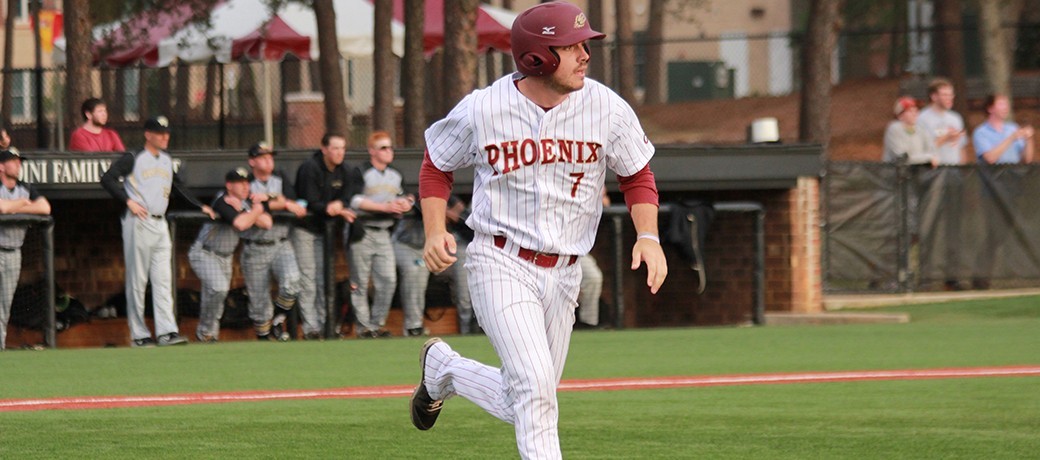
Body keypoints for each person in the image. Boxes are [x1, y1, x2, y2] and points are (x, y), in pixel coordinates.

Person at [409, 3, 668, 458]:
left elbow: (637, 176)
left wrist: (648, 236)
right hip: (500, 260)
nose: (586, 55)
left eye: (584, 45)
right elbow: (437, 166)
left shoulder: (605, 106)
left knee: (526, 398)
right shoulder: (484, 108)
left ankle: (444, 369)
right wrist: (434, 230)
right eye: (572, 47)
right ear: (536, 57)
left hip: (567, 271)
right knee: (533, 387)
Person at [101, 115, 215, 347]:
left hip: (160, 222)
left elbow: (178, 188)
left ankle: (166, 332)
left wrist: (200, 206)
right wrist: (128, 201)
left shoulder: (166, 159)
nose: (165, 137)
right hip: (139, 221)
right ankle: (139, 334)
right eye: (160, 133)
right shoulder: (134, 157)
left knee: (163, 280)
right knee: (138, 280)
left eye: (167, 133)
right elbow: (108, 178)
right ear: (148, 134)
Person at [188, 167, 271, 343]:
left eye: (246, 182)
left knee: (216, 296)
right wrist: (255, 211)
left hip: (225, 257)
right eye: (239, 183)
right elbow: (241, 224)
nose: (244, 186)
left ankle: (210, 336)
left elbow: (267, 223)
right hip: (205, 252)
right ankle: (205, 331)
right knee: (219, 288)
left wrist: (248, 210)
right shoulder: (222, 200)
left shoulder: (245, 201)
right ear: (229, 185)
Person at [293, 133, 361, 340]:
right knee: (308, 279)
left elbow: (350, 194)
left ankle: (325, 326)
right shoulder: (309, 168)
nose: (340, 152)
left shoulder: (347, 170)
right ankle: (310, 328)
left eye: (342, 148)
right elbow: (310, 201)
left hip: (326, 234)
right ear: (324, 149)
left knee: (324, 279)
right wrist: (332, 208)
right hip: (305, 230)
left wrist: (340, 205)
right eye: (335, 148)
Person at [348, 131, 413, 338]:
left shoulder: (395, 174)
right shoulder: (361, 171)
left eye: (390, 147)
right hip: (363, 230)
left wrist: (406, 202)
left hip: (384, 232)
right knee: (359, 280)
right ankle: (363, 327)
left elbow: (406, 196)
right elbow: (355, 201)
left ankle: (376, 324)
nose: (389, 151)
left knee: (388, 279)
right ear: (372, 151)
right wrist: (385, 207)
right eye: (383, 148)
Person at [242, 141, 306, 341]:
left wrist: (281, 201)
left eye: (270, 156)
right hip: (255, 246)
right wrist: (281, 202)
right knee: (259, 304)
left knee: (293, 282)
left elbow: (296, 203)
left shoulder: (280, 177)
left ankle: (278, 319)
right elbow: (255, 205)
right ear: (252, 161)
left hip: (281, 242)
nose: (268, 160)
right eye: (262, 157)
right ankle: (265, 339)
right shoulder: (245, 181)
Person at [970, 94, 1035, 289]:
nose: (1005, 107)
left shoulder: (1012, 128)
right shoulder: (981, 132)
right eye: (1001, 104)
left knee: (1004, 232)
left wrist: (1029, 139)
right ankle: (981, 277)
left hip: (1013, 189)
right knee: (994, 232)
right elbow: (990, 158)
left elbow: (1027, 159)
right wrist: (1011, 138)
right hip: (992, 191)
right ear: (990, 108)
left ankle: (987, 274)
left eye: (1007, 103)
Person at [393, 195, 474, 336]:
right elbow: (419, 208)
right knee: (416, 275)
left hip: (445, 252)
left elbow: (463, 219)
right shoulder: (418, 199)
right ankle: (414, 326)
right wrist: (443, 213)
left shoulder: (452, 199)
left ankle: (468, 329)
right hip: (413, 248)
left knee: (464, 289)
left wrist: (455, 214)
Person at [916, 78, 968, 291]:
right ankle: (925, 275)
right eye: (945, 95)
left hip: (954, 174)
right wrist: (943, 139)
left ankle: (952, 275)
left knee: (953, 227)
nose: (949, 99)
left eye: (951, 95)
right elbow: (922, 149)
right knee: (929, 226)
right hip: (932, 176)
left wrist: (964, 171)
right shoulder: (923, 119)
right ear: (934, 96)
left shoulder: (955, 118)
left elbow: (962, 148)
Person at [0, 148, 51, 351]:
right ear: (2, 166)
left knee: (5, 305)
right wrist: (21, 203)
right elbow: (1, 207)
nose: (18, 164)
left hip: (14, 252)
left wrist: (16, 207)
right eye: (13, 161)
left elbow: (45, 208)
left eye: (19, 161)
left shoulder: (26, 187)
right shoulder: (21, 194)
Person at [576, 189, 611, 329]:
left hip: (575, 249)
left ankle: (588, 325)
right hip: (540, 247)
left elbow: (605, 201)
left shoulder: (593, 173)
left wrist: (600, 197)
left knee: (592, 277)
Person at [883, 96, 938, 166]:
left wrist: (929, 157)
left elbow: (933, 152)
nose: (915, 114)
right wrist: (928, 158)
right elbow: (903, 158)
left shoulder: (921, 129)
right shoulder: (894, 128)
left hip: (918, 173)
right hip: (895, 173)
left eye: (916, 110)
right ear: (900, 115)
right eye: (910, 111)